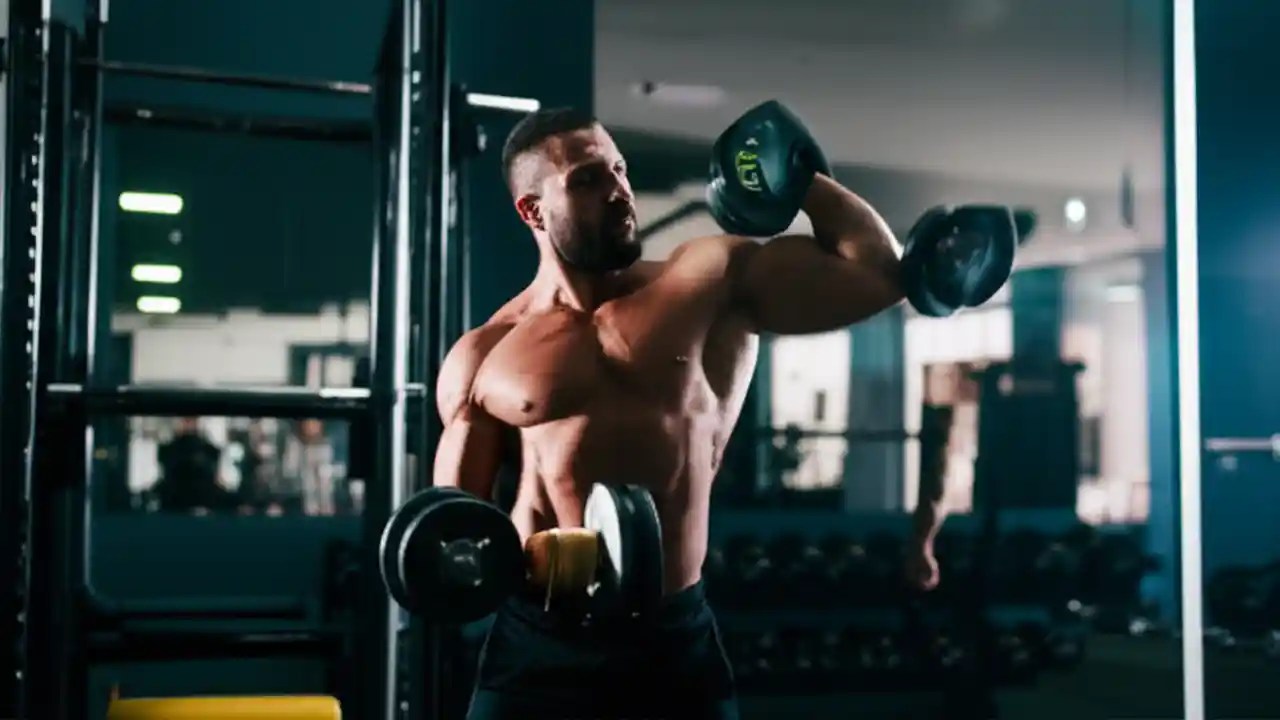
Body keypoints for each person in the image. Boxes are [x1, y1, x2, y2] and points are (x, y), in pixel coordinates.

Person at [433, 107, 946, 720]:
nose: (618, 191)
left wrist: (801, 177)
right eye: (588, 180)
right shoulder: (487, 352)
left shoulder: (703, 281)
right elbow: (454, 532)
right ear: (533, 211)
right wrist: (503, 564)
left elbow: (879, 275)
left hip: (669, 640)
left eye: (618, 170)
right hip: (539, 640)